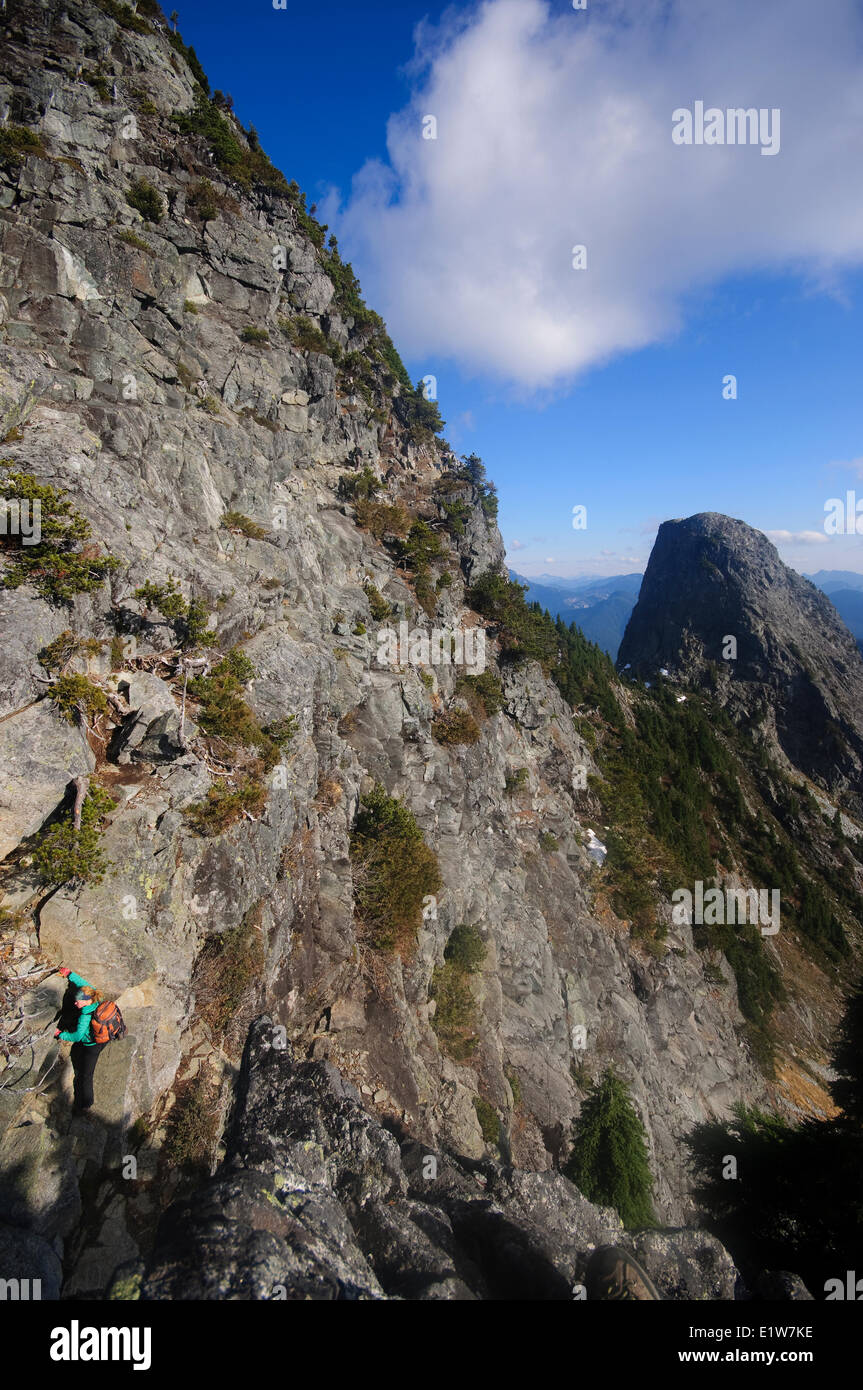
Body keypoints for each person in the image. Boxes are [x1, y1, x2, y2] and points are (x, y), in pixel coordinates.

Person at [53, 967, 106, 1113]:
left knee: (86, 1075)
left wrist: (60, 1035)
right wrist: (69, 973)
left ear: (86, 1001)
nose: (76, 1004)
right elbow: (82, 983)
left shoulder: (85, 1016)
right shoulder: (95, 995)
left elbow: (77, 1036)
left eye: (78, 1002)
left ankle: (86, 1104)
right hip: (103, 1037)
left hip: (92, 1045)